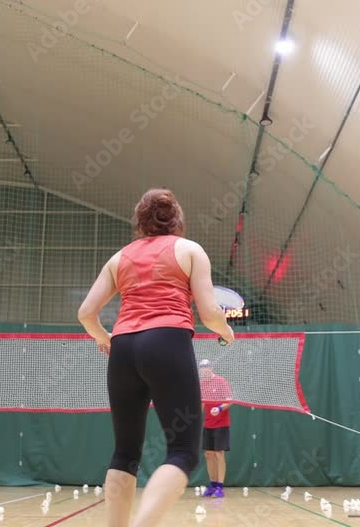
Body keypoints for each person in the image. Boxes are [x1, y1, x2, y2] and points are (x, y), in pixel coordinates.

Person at [78, 188, 235, 527]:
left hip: (123, 349)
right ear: (177, 220)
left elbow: (86, 313)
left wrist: (105, 339)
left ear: (139, 222)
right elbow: (208, 314)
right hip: (167, 342)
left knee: (125, 453)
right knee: (183, 452)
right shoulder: (190, 250)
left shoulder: (119, 258)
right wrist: (225, 331)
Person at [199, 359, 232, 498]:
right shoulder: (201, 384)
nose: (204, 369)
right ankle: (212, 485)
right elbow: (201, 404)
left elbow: (230, 400)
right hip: (208, 424)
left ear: (211, 368)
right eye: (202, 367)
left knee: (219, 453)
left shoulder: (221, 381)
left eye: (206, 367)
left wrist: (219, 408)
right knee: (208, 454)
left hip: (221, 423)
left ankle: (220, 487)